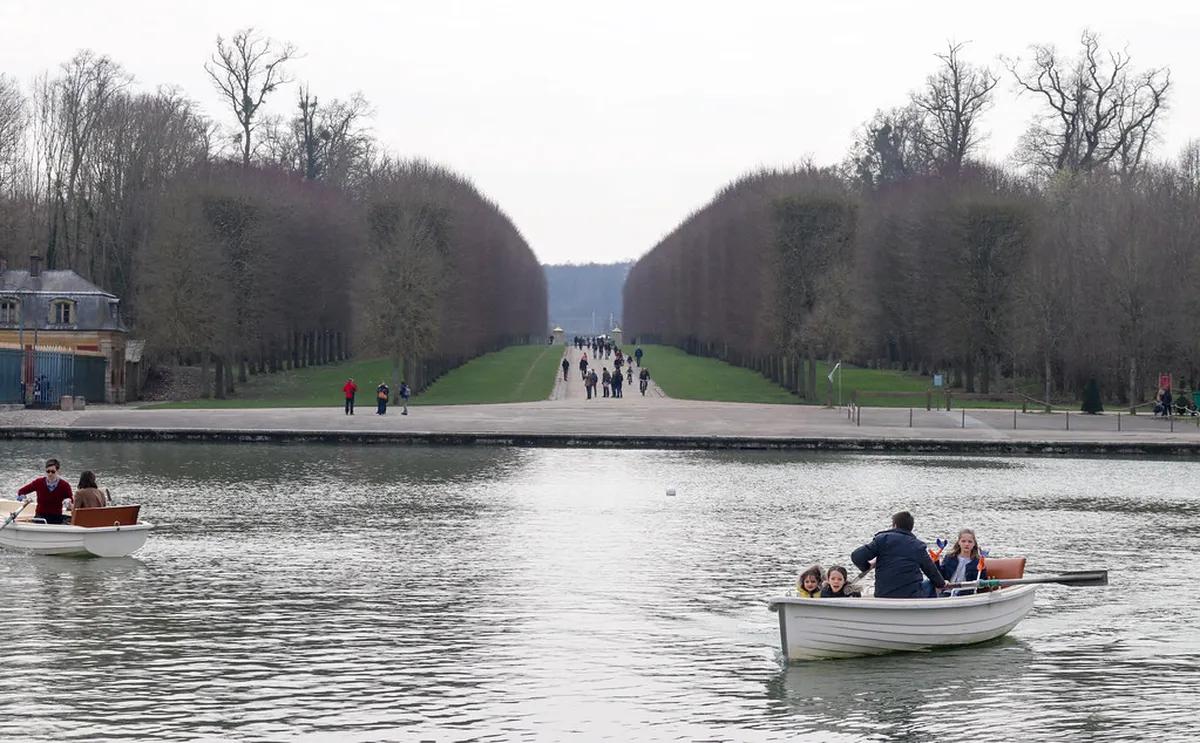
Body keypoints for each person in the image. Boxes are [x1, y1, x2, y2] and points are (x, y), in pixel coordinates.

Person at [850, 511, 946, 598]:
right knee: (931, 583)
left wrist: (867, 566)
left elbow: (856, 556)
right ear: (911, 528)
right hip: (911, 596)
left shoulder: (882, 540)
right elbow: (931, 572)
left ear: (895, 525)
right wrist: (942, 584)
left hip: (883, 595)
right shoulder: (918, 546)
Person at [17, 458, 74, 525]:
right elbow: (22, 491)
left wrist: (68, 503)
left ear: (58, 471)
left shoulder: (65, 485)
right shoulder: (39, 482)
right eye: (48, 471)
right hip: (40, 516)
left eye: (53, 472)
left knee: (71, 520)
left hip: (56, 517)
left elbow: (72, 501)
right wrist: (22, 496)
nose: (50, 474)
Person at [938, 528, 988, 596]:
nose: (966, 544)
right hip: (947, 592)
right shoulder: (950, 557)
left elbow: (982, 582)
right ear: (959, 542)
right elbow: (940, 574)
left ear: (974, 544)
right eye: (963, 541)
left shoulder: (977, 562)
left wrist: (983, 569)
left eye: (970, 542)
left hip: (965, 595)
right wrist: (936, 562)